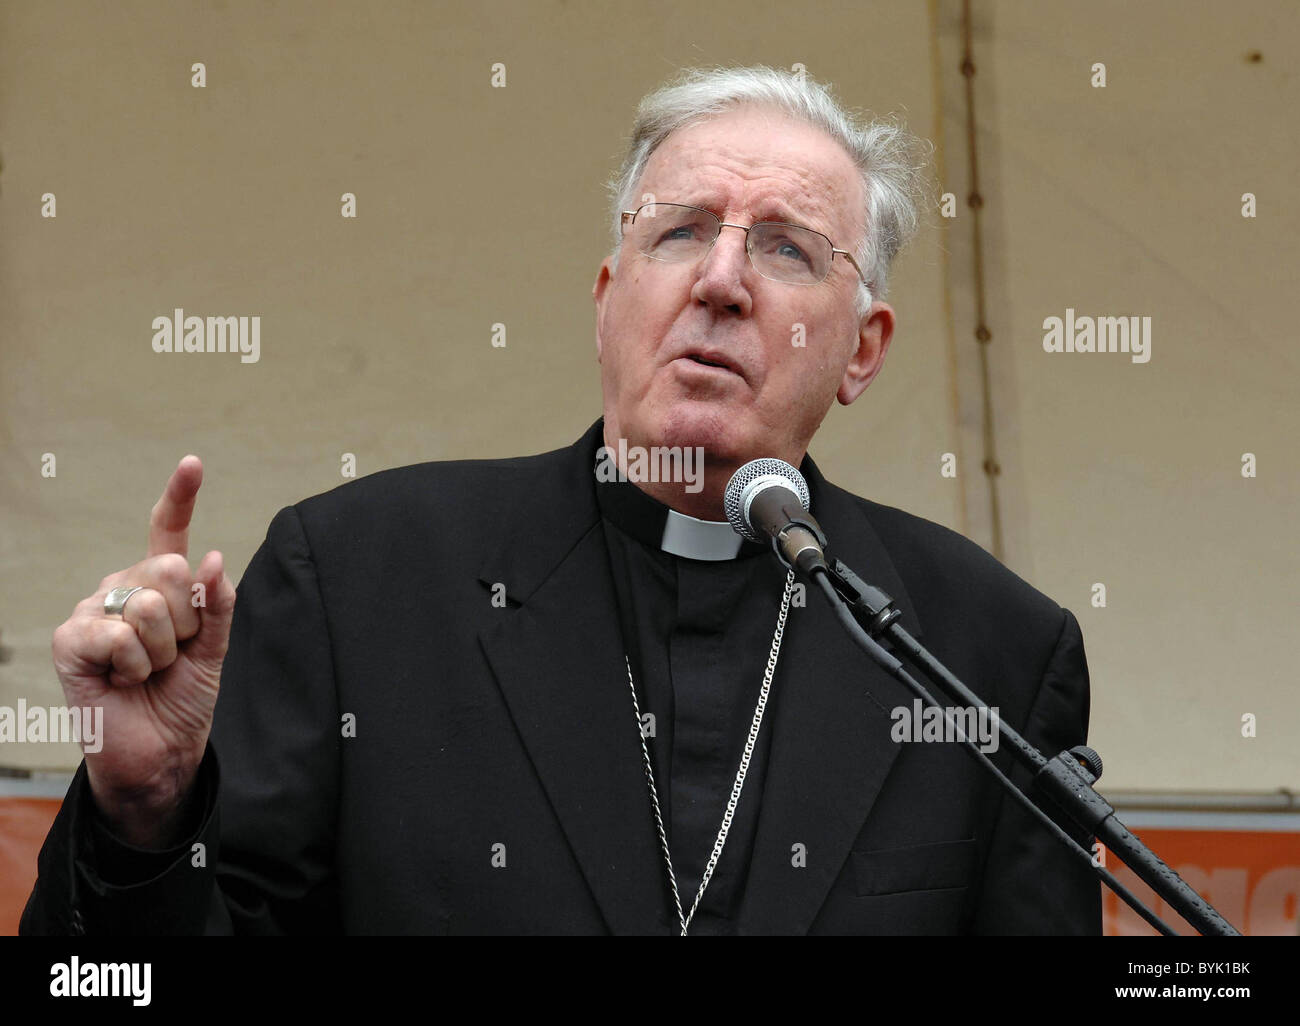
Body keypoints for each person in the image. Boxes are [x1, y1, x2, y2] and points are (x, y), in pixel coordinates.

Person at [22, 66, 1101, 935]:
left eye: (785, 248)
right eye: (678, 231)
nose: (720, 280)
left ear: (860, 349)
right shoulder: (361, 580)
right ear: (608, 300)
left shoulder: (984, 654)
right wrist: (146, 813)